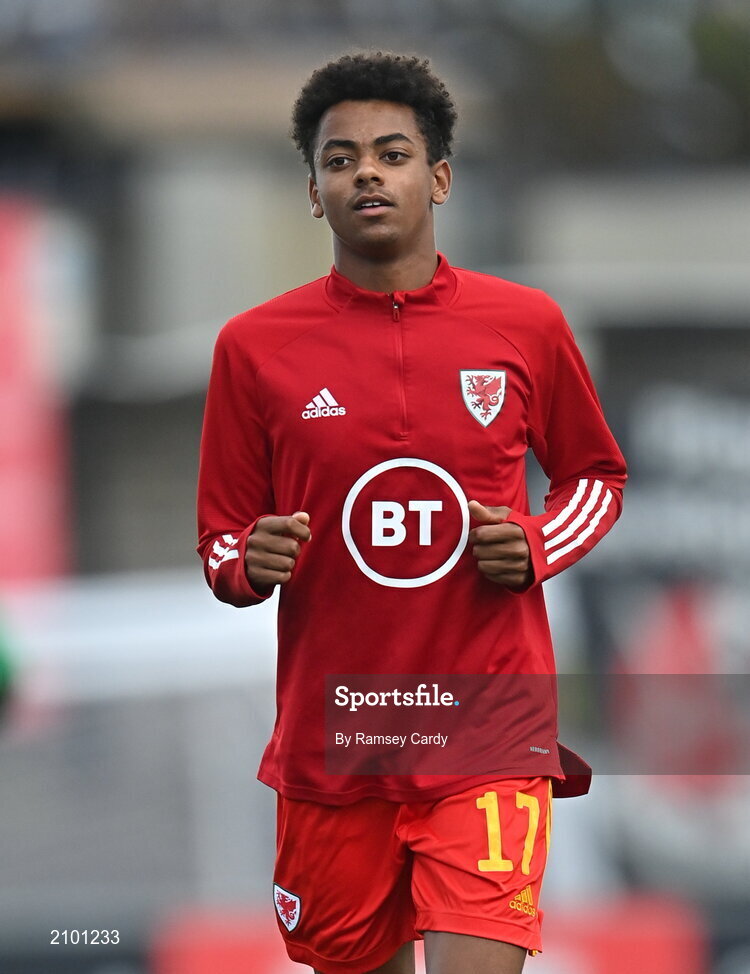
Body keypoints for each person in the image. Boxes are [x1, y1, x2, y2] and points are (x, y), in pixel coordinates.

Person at [197, 51, 626, 974]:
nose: (366, 174)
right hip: (340, 738)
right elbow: (222, 537)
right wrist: (247, 563)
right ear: (315, 191)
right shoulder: (252, 349)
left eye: (391, 154)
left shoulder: (526, 325)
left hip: (487, 729)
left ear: (437, 177)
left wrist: (537, 546)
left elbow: (596, 474)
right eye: (340, 158)